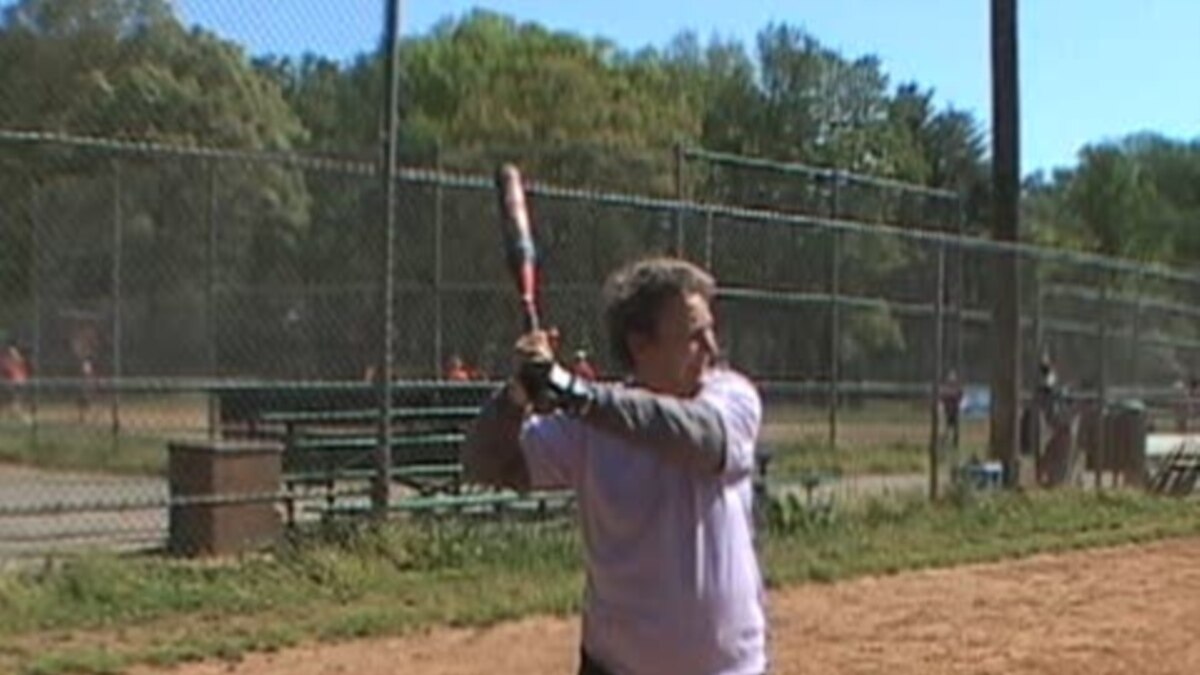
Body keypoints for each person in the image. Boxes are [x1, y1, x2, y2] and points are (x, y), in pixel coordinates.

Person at [463, 257, 766, 675]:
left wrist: (575, 393)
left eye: (710, 331)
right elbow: (485, 463)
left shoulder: (731, 397)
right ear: (640, 344)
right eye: (694, 336)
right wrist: (518, 393)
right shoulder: (588, 427)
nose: (712, 348)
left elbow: (698, 437)